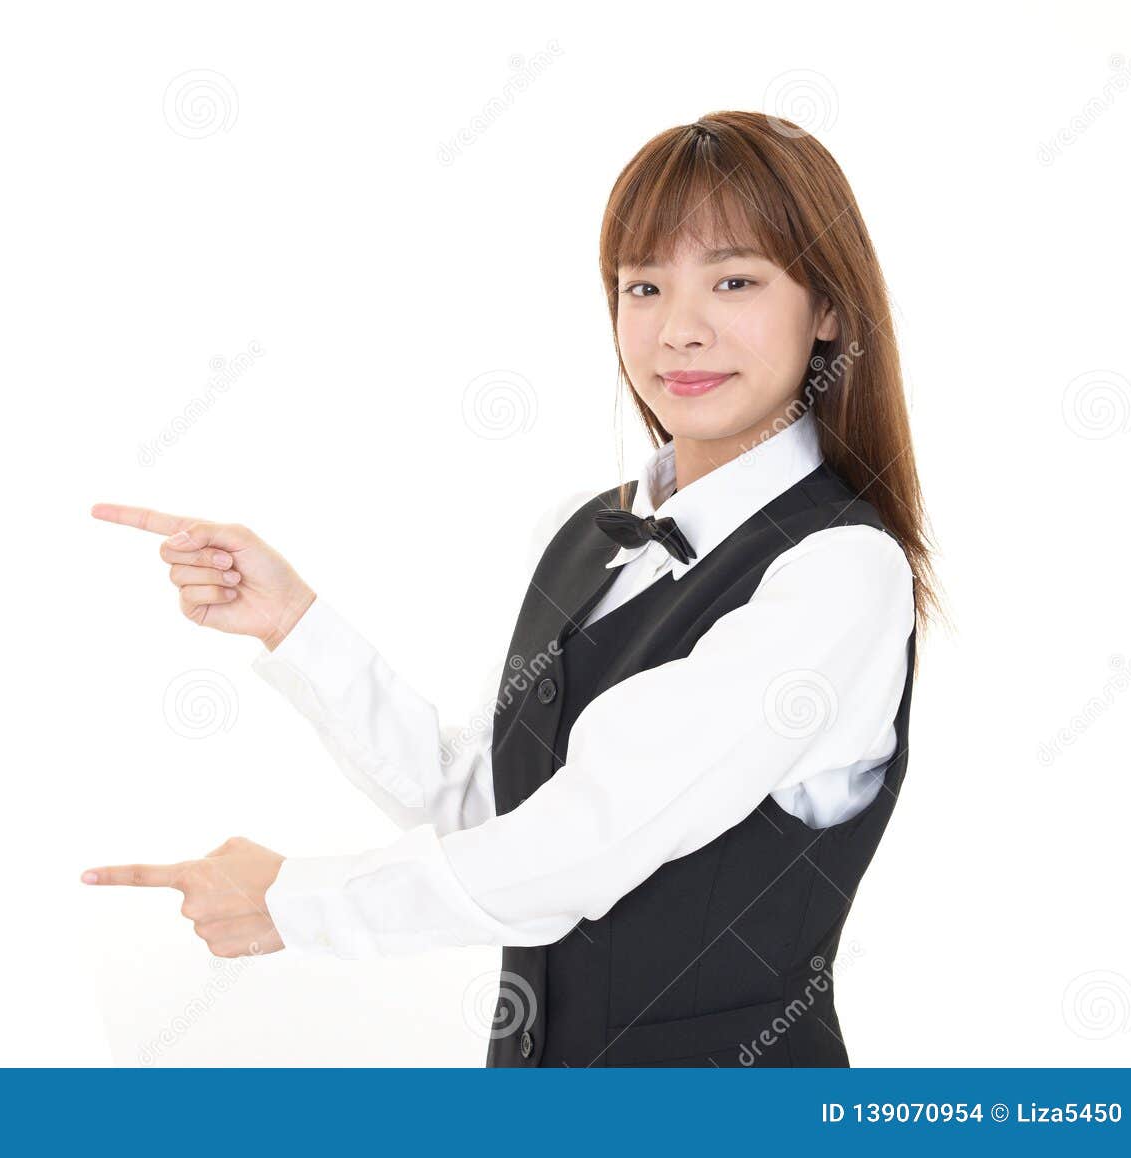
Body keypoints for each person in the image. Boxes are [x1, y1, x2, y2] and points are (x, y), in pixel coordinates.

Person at [82, 109, 944, 1067]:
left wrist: (290, 902)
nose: (679, 331)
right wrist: (292, 625)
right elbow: (492, 809)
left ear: (827, 309)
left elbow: (587, 841)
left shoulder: (839, 569)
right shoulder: (589, 534)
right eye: (643, 287)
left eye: (733, 281)